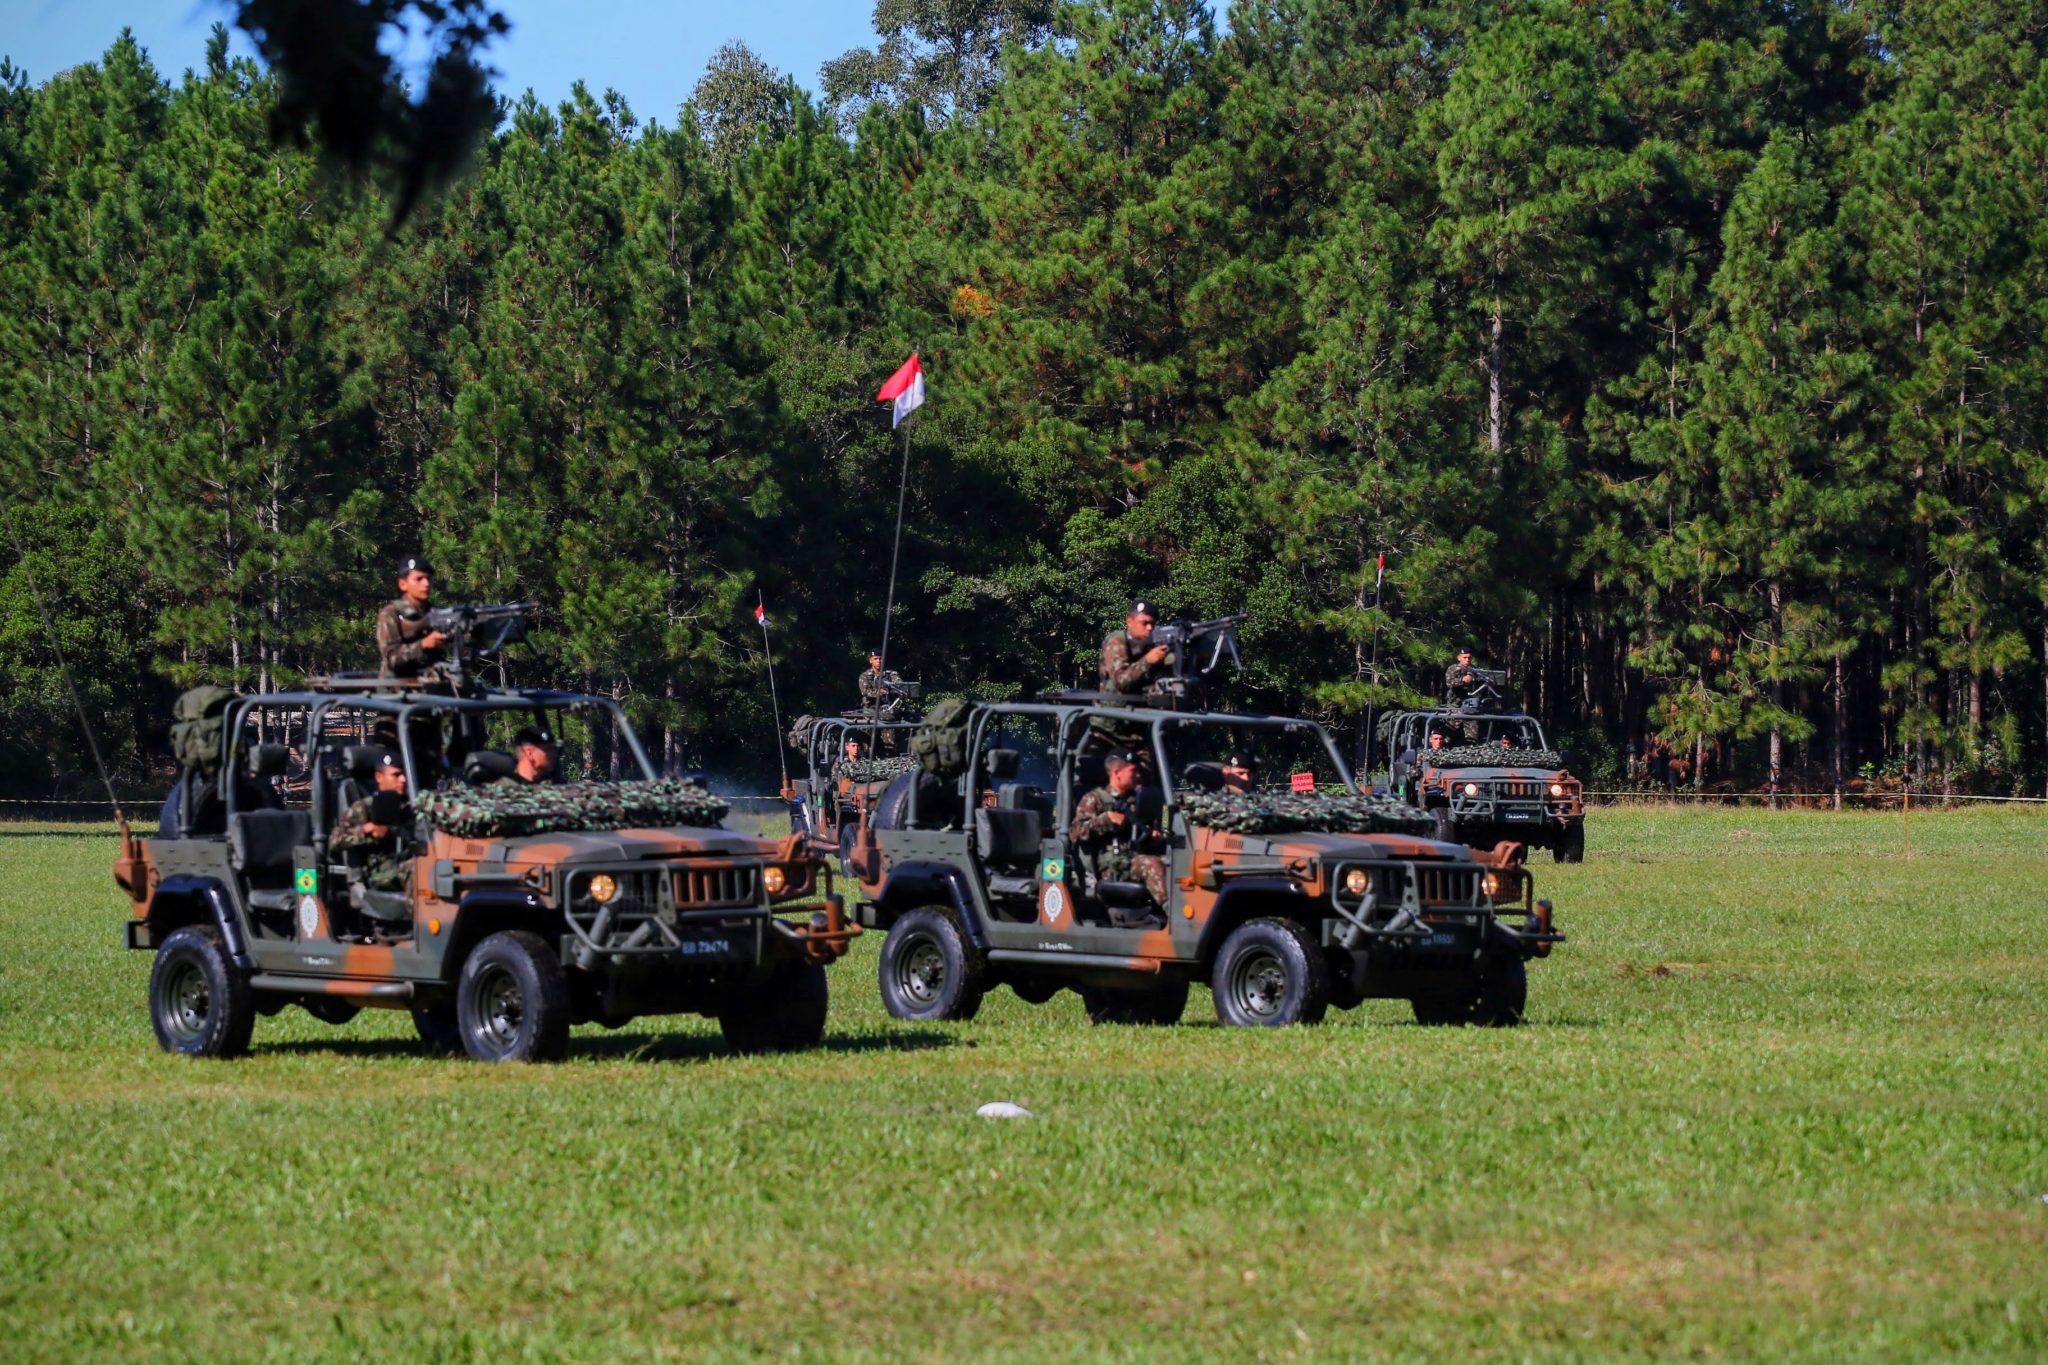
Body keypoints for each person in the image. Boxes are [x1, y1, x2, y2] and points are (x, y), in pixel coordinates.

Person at [1070, 752, 1167, 927]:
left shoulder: (1134, 801)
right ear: (1117, 773)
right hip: (1112, 866)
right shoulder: (1095, 799)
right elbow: (1075, 832)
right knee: (1152, 864)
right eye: (1133, 771)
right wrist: (1105, 820)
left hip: (1132, 860)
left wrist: (1153, 836)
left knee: (1172, 862)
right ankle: (1173, 914)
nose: (1137, 775)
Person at [330, 750, 412, 891]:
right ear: (379, 777)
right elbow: (334, 841)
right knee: (417, 871)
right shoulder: (364, 807)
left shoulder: (408, 806)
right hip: (382, 871)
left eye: (404, 775)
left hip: (407, 859)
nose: (403, 780)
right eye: (396, 775)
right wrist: (368, 830)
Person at [376, 556, 447, 679]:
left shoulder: (435, 612)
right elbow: (392, 659)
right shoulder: (391, 614)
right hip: (395, 690)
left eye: (429, 579)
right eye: (419, 579)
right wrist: (423, 644)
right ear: (403, 584)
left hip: (429, 684)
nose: (426, 584)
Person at [1099, 600, 1172, 697]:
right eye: (1144, 623)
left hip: (1146, 705)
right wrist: (1147, 661)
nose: (1150, 628)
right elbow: (1120, 681)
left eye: (1152, 623)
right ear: (1129, 621)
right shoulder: (1116, 641)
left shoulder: (1153, 644)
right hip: (1117, 708)